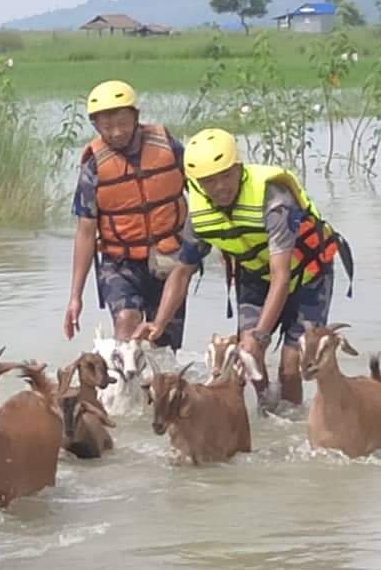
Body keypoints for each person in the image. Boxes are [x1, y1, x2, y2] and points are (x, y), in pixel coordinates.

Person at [143, 127, 354, 405]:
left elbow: (281, 276)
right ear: (197, 183)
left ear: (238, 168)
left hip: (307, 279)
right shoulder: (199, 215)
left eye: (226, 176)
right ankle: (268, 412)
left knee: (291, 367)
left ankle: (290, 418)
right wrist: (158, 323)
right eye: (209, 181)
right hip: (255, 277)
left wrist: (261, 335)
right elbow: (182, 272)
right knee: (247, 354)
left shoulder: (274, 201)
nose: (220, 187)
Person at [63, 79, 204, 349]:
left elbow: (203, 194)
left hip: (170, 259)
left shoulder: (169, 148)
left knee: (163, 345)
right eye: (107, 127)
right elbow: (85, 232)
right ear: (95, 126)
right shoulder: (93, 168)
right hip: (121, 264)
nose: (116, 133)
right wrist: (75, 297)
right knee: (126, 322)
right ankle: (124, 374)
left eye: (123, 123)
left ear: (136, 117)